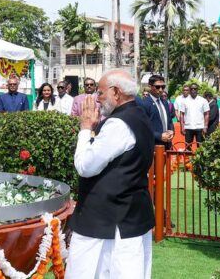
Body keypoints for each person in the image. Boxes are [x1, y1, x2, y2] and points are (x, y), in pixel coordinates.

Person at [66, 70, 154, 279]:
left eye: (101, 92)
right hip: (128, 213)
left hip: (108, 219)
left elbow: (86, 166)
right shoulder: (138, 116)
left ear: (116, 92)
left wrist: (85, 129)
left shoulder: (119, 124)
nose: (97, 98)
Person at [137, 74, 174, 148]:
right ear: (150, 86)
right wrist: (159, 136)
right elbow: (142, 128)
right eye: (157, 87)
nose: (160, 89)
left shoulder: (165, 102)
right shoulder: (144, 104)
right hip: (152, 146)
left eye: (163, 87)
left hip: (167, 144)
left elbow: (169, 121)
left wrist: (171, 131)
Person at [180, 84, 209, 150]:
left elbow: (207, 114)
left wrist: (205, 126)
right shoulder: (184, 101)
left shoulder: (203, 100)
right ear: (189, 90)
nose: (193, 90)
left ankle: (201, 160)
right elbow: (182, 114)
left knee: (201, 148)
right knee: (188, 148)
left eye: (195, 89)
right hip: (188, 128)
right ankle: (187, 160)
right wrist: (182, 126)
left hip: (200, 127)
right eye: (192, 89)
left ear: (197, 90)